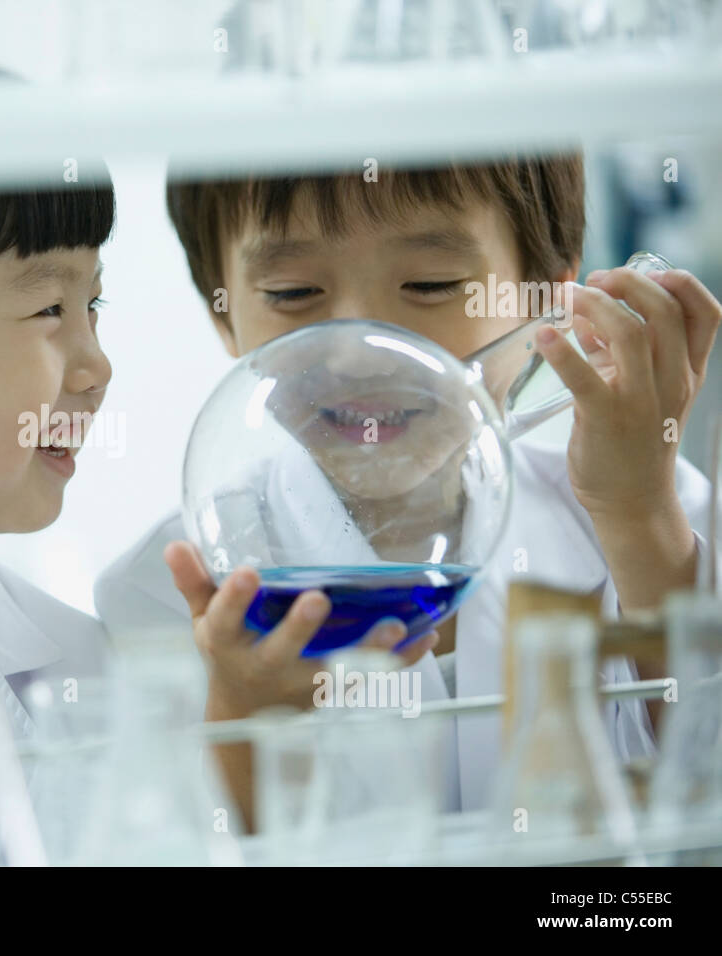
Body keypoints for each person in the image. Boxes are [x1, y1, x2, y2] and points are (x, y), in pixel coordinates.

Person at [94, 156, 719, 828]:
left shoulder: (654, 512)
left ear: (549, 299)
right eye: (292, 293)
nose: (358, 355)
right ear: (222, 314)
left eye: (430, 283)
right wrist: (241, 722)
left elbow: (698, 797)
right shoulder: (157, 596)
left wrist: (638, 517)